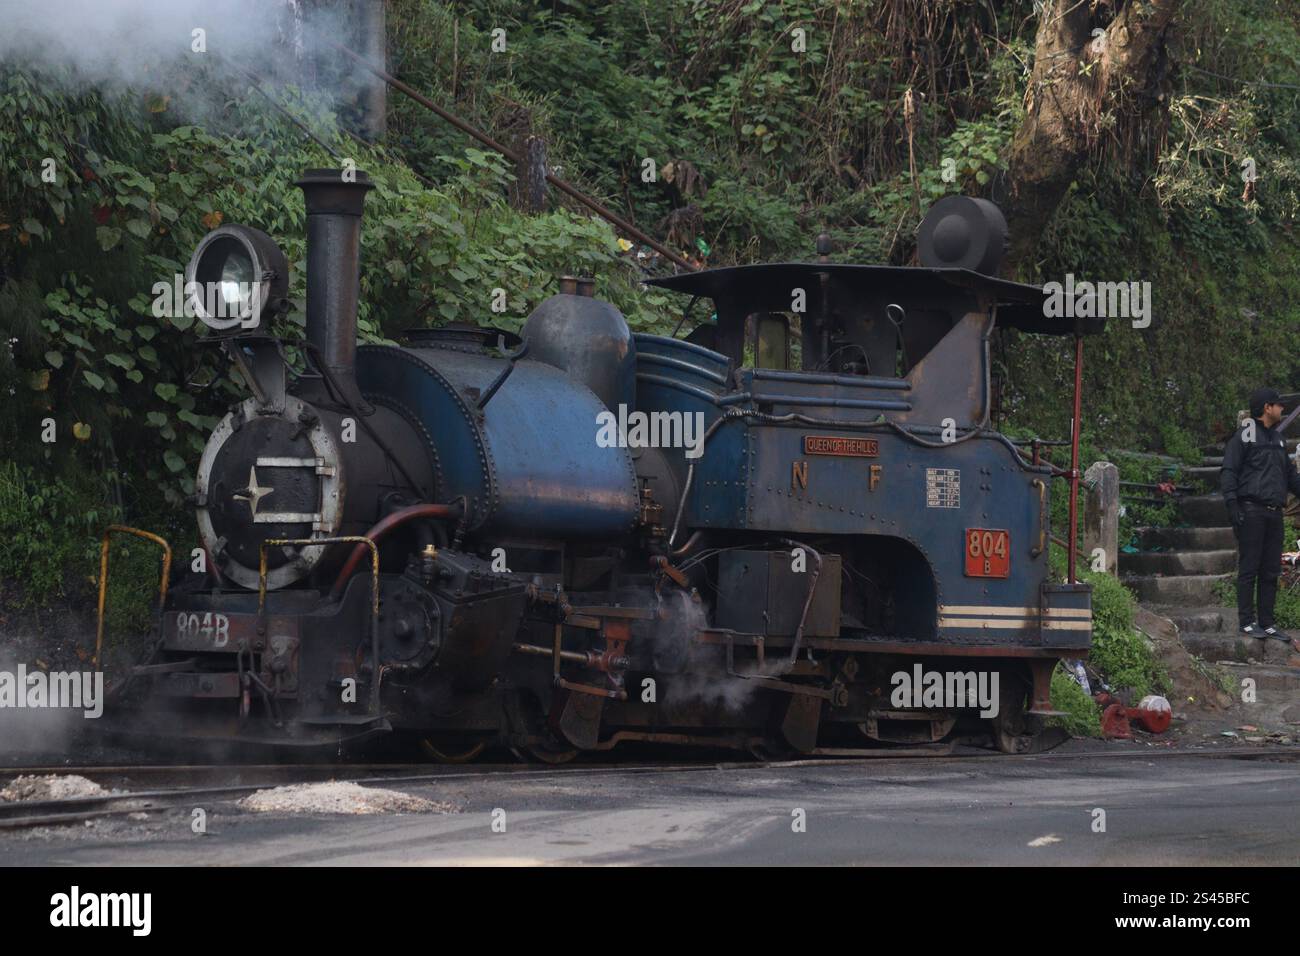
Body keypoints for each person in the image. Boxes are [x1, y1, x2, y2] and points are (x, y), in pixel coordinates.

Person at [1220, 387, 1299, 643]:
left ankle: (1267, 623)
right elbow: (1229, 471)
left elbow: (1291, 477)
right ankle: (1246, 622)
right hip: (1251, 511)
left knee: (1270, 570)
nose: (1282, 409)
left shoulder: (1277, 439)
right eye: (1278, 405)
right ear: (1267, 407)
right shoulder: (1245, 435)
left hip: (1275, 514)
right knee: (1249, 568)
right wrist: (1232, 504)